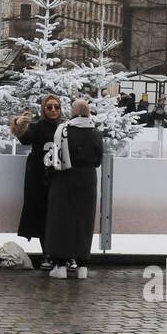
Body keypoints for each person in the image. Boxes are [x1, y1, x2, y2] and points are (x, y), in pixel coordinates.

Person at [43, 98, 104, 279]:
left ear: (73, 112)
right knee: (84, 221)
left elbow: (55, 156)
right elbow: (99, 160)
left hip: (65, 178)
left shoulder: (63, 130)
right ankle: (82, 265)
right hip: (88, 180)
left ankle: (60, 265)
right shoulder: (95, 133)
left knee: (61, 219)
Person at [10, 95, 63, 269]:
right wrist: (19, 123)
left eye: (56, 107)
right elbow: (24, 138)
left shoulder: (65, 127)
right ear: (43, 109)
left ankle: (60, 254)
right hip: (39, 178)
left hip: (60, 178)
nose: (53, 110)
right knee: (42, 215)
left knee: (59, 216)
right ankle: (46, 254)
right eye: (49, 107)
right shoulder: (39, 127)